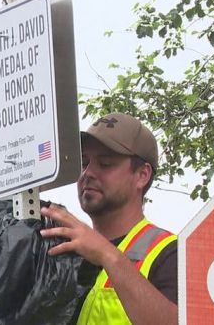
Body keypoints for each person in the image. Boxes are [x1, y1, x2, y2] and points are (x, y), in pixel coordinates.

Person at [40, 112, 178, 324]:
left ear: (142, 175)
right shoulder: (64, 253)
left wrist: (107, 254)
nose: (88, 173)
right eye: (84, 162)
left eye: (105, 164)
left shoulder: (170, 253)